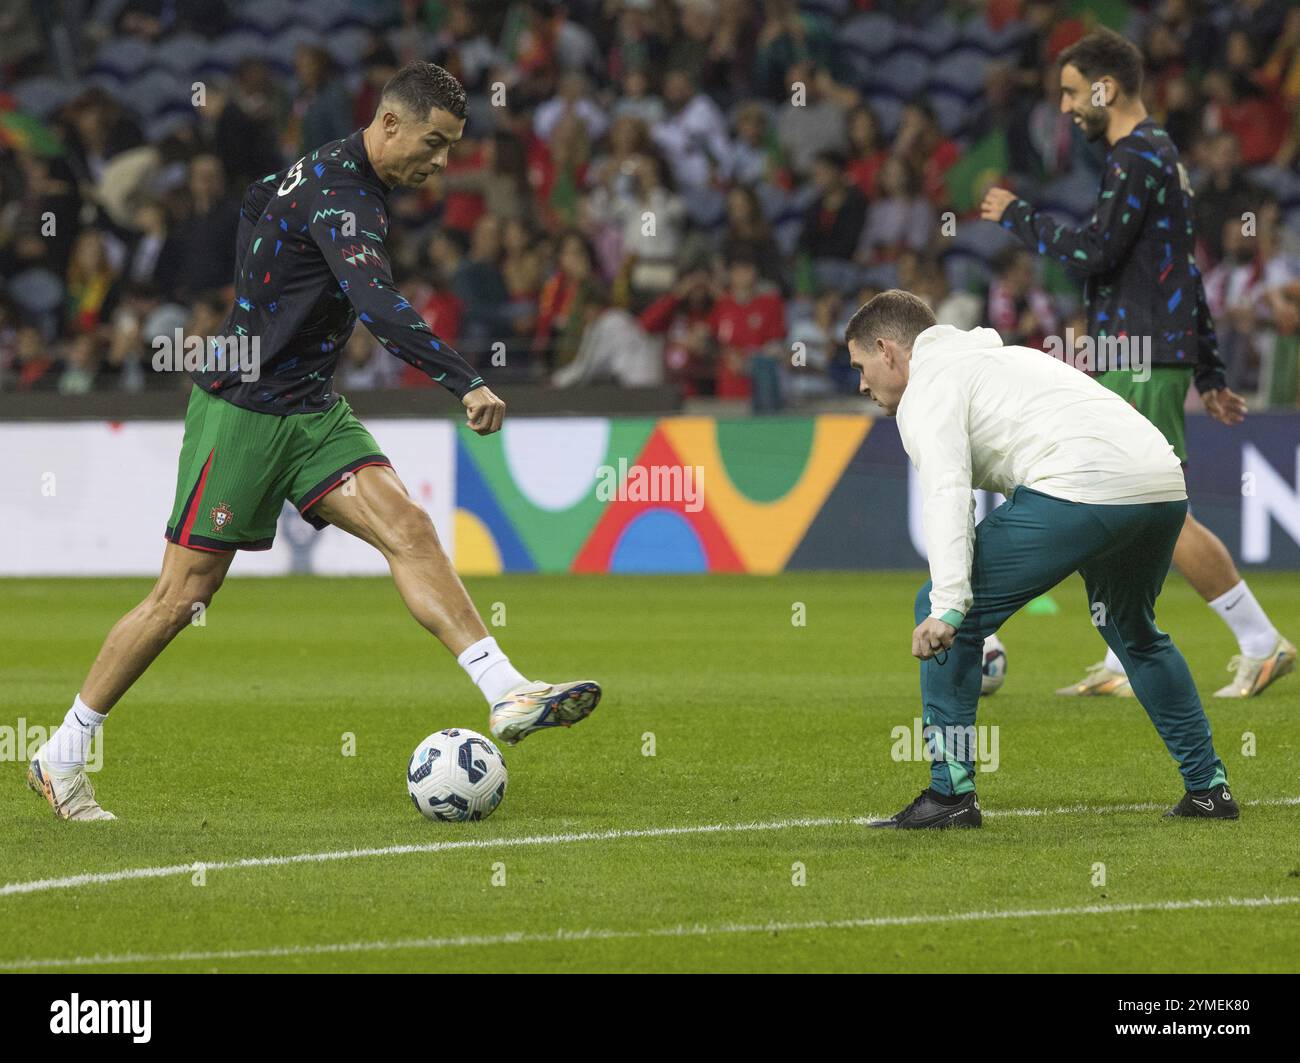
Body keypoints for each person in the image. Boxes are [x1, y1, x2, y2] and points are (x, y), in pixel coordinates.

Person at [28, 62, 601, 822]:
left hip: (309, 405)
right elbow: (377, 303)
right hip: (245, 412)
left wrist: (260, 305)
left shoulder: (322, 167)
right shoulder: (344, 199)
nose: (439, 165)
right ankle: (61, 753)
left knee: (409, 527)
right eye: (432, 144)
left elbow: (256, 200)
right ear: (390, 123)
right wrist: (465, 381)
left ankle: (506, 691)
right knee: (182, 596)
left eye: (451, 149)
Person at [980, 28, 1293, 700]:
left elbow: (1095, 253)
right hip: (1146, 352)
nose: (1065, 109)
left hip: (1142, 355)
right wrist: (1207, 369)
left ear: (1105, 87)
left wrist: (1020, 215)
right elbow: (1183, 273)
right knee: (1121, 508)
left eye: (1070, 92)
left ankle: (1260, 641)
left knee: (1155, 512)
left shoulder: (1136, 157)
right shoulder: (1160, 159)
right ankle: (1125, 658)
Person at [848, 290, 1236, 829]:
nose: (862, 384)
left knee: (938, 609)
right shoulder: (1003, 358)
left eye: (861, 366)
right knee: (1134, 631)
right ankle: (1209, 789)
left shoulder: (928, 390)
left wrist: (950, 607)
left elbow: (947, 493)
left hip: (1083, 488)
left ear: (888, 350)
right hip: (1163, 486)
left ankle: (950, 794)